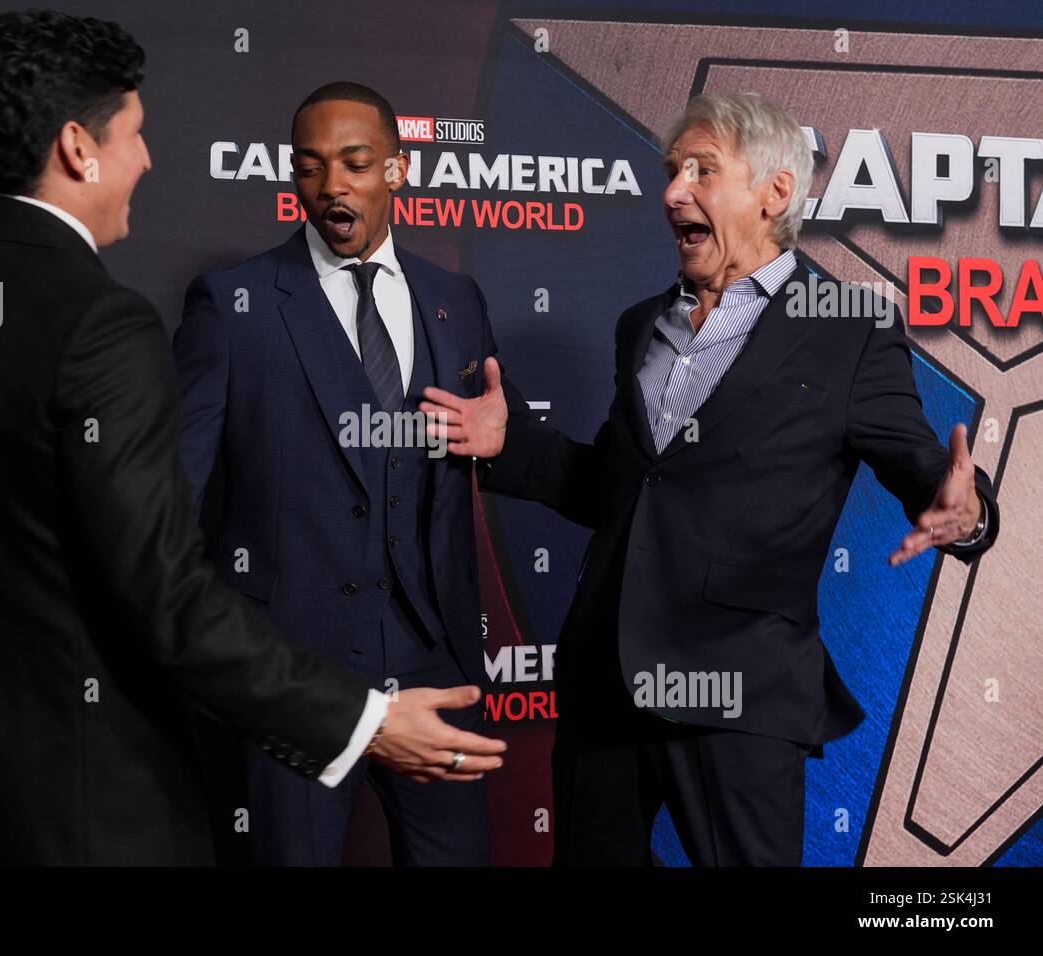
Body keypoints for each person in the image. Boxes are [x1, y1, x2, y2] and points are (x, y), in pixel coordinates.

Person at [0, 11, 503, 866]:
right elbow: (161, 570)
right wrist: (351, 716)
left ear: (396, 170)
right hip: (132, 760)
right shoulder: (123, 320)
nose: (147, 159)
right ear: (77, 148)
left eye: (356, 164)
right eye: (134, 134)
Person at [418, 92, 999, 866]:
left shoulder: (848, 327)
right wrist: (505, 444)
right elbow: (618, 492)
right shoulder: (640, 326)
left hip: (741, 694)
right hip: (607, 687)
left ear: (775, 192)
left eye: (701, 170)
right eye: (671, 171)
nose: (672, 191)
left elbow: (924, 468)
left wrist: (966, 512)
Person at [173, 82, 526, 865]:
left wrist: (501, 441)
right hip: (294, 676)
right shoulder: (233, 305)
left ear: (397, 171)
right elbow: (172, 506)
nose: (332, 185)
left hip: (435, 660)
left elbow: (491, 433)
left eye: (356, 163)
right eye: (310, 166)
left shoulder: (456, 299)